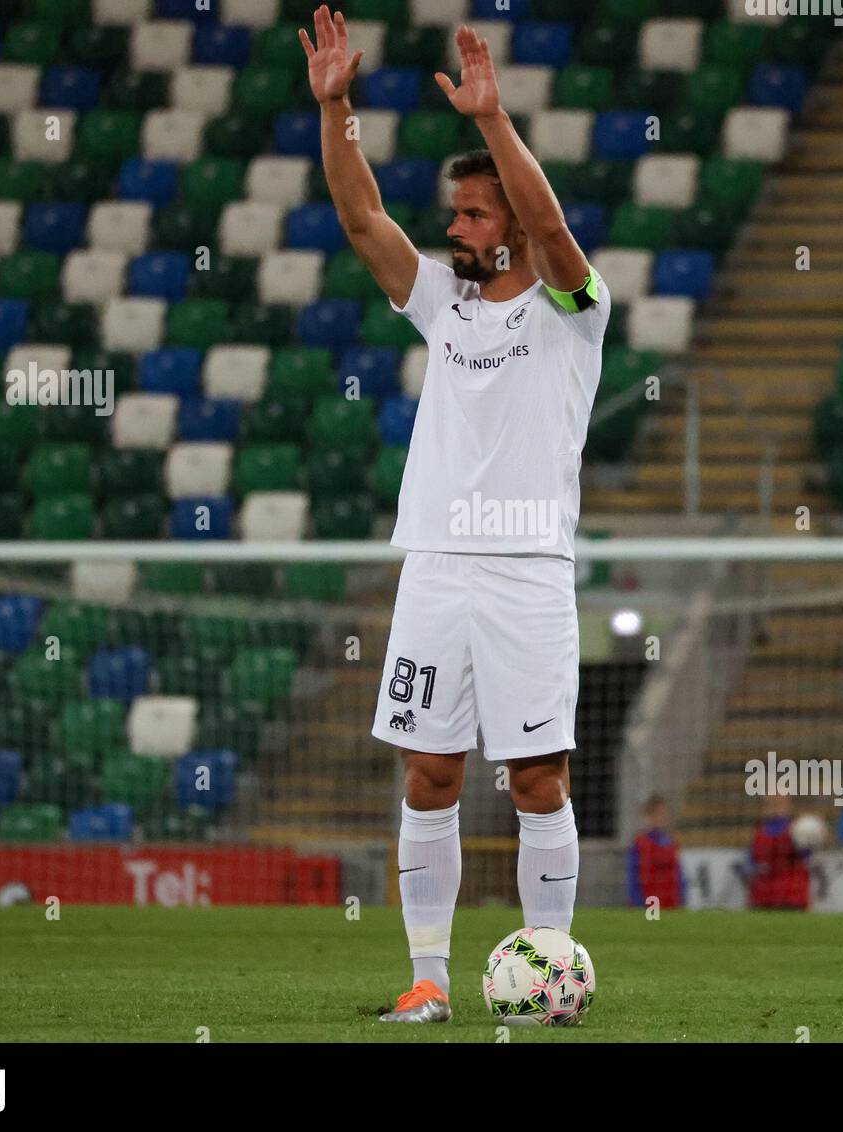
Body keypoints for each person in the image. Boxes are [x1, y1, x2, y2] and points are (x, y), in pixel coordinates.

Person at [299, 7, 610, 1023]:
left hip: (526, 568)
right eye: (457, 215)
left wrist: (497, 122)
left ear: (510, 223)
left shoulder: (573, 310)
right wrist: (336, 106)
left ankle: (551, 969)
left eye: (474, 217)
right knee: (429, 774)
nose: (456, 229)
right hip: (434, 565)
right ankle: (428, 980)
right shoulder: (443, 304)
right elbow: (359, 220)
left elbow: (555, 230)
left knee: (536, 781)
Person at [746, 793, 813, 910]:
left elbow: (806, 855)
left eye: (780, 802)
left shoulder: (798, 829)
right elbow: (752, 861)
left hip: (792, 892)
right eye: (771, 802)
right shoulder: (759, 832)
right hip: (764, 893)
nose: (775, 806)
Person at [627, 795, 686, 909]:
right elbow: (633, 876)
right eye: (657, 814)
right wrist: (636, 902)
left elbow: (679, 874)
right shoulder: (640, 844)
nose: (660, 817)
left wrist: (682, 896)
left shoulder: (672, 845)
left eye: (663, 813)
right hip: (649, 903)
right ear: (648, 816)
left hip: (671, 903)